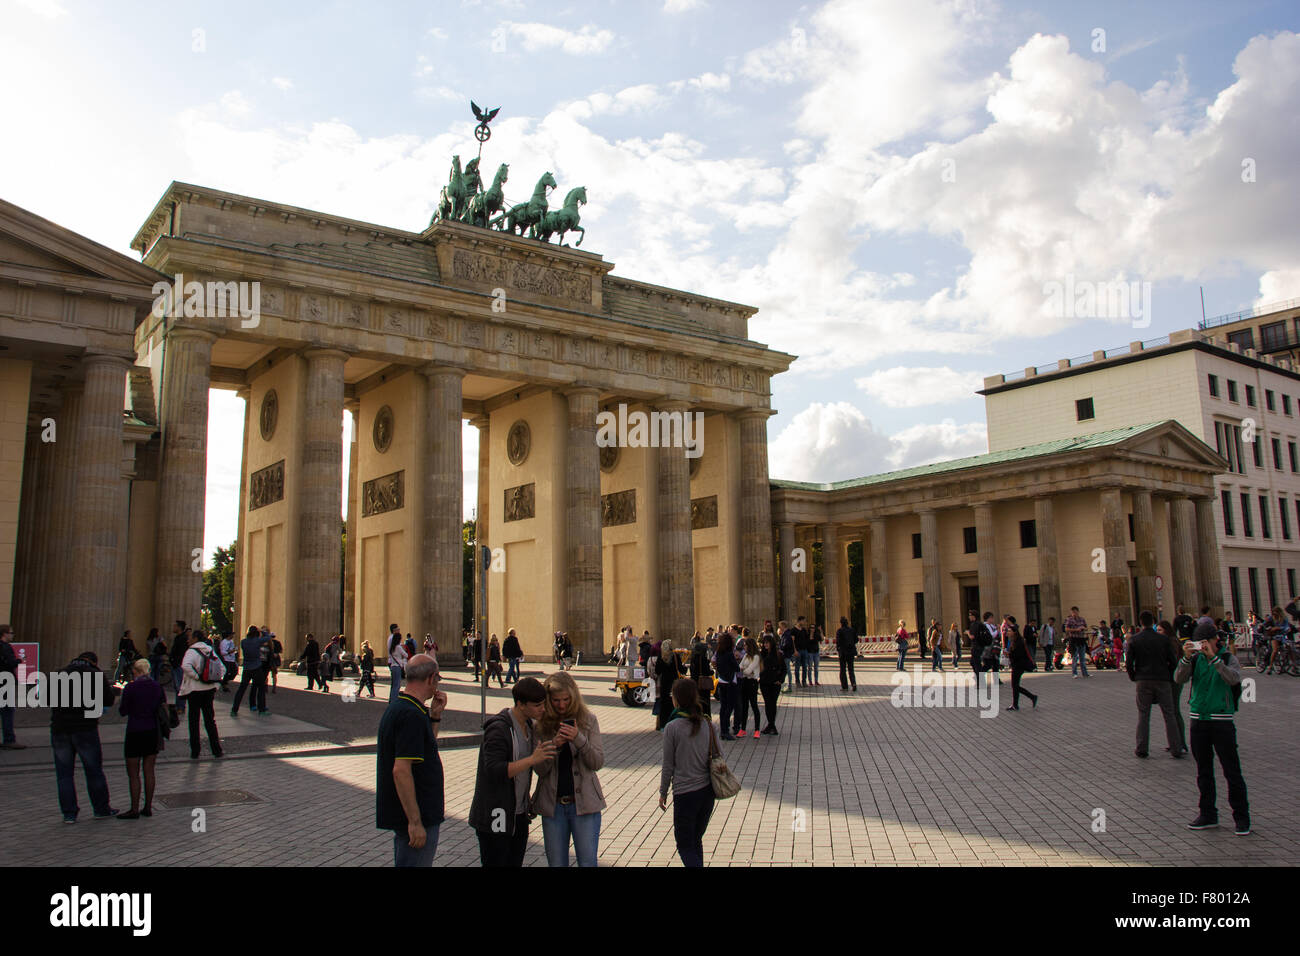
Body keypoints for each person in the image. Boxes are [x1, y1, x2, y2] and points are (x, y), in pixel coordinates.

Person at [469, 677, 555, 866]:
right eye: (537, 705)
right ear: (521, 705)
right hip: (496, 813)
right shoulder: (499, 729)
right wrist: (532, 760)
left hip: (519, 813)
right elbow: (494, 770)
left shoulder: (530, 727)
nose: (542, 709)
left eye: (544, 704)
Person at [1176, 622, 1250, 834]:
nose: (1203, 646)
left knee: (1231, 770)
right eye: (1199, 643)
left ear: (1214, 640)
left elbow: (1234, 679)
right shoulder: (1196, 659)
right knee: (1203, 771)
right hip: (1199, 718)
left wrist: (1215, 659)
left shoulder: (1227, 658)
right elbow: (1178, 679)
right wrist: (1187, 657)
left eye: (1205, 642)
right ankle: (1207, 813)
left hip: (1221, 720)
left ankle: (1241, 817)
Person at [376, 654, 447, 866]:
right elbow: (401, 770)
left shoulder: (404, 707)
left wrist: (435, 717)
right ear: (431, 678)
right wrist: (415, 822)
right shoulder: (411, 715)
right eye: (437, 680)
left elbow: (424, 751)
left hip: (415, 814)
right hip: (418, 816)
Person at [532, 671, 605, 867]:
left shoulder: (588, 720)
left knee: (588, 862)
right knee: (556, 864)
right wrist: (554, 745)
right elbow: (539, 770)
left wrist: (578, 738)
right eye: (556, 700)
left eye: (566, 699)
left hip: (585, 805)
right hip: (553, 807)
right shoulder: (540, 726)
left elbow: (597, 762)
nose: (561, 705)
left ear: (573, 697)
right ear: (548, 700)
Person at [50, 651, 118, 822]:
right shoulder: (95, 674)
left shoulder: (59, 674)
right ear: (93, 662)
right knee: (93, 770)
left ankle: (69, 813)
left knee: (64, 774)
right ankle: (101, 808)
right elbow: (109, 700)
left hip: (60, 728)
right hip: (85, 728)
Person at [659, 678, 717, 867]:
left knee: (684, 844)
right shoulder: (708, 724)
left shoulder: (672, 727)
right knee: (695, 840)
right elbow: (720, 755)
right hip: (707, 792)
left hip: (685, 794)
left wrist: (663, 792)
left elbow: (668, 765)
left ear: (676, 699)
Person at [1128, 611, 1184, 758]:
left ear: (1141, 622)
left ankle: (1141, 748)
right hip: (1162, 679)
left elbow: (1129, 663)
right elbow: (1173, 661)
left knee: (1143, 715)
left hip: (1143, 680)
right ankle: (1176, 748)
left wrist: (1134, 676)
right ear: (1153, 622)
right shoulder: (1163, 640)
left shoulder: (1134, 640)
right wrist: (1169, 676)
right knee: (1169, 714)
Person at [117, 659, 164, 820]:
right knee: (149, 771)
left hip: (135, 731)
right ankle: (148, 807)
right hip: (152, 731)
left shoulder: (131, 687)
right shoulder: (157, 686)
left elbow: (123, 711)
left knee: (133, 773)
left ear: (136, 671)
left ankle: (134, 808)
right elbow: (161, 705)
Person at [179, 630, 223, 760]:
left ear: (195, 638)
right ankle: (217, 750)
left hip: (194, 690)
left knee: (194, 721)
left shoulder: (191, 651)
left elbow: (185, 666)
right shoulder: (210, 650)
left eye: (189, 638)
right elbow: (222, 668)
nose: (188, 640)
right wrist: (215, 682)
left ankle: (195, 751)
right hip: (209, 689)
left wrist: (197, 677)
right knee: (210, 720)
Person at [231, 625, 272, 716]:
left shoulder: (243, 642)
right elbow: (268, 637)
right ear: (256, 633)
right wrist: (262, 631)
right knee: (261, 688)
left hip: (246, 668)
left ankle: (234, 709)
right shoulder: (257, 641)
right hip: (256, 667)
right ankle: (261, 710)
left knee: (241, 689)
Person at [1006, 621, 1038, 710]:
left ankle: (1028, 699)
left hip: (1019, 666)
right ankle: (1018, 703)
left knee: (1015, 685)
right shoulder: (1014, 641)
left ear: (1014, 632)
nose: (1008, 632)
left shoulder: (1018, 642)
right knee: (1015, 686)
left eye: (1009, 631)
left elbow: (1018, 655)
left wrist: (1009, 654)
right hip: (1017, 665)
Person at [655, 639, 686, 731]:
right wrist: (685, 668)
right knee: (674, 704)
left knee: (664, 704)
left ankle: (663, 726)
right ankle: (673, 724)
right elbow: (681, 669)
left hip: (664, 683)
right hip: (674, 683)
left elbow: (657, 671)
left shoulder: (661, 657)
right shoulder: (675, 656)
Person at [0, 625, 22, 749]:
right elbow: (11, 662)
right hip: (5, 680)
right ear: (4, 634)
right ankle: (9, 739)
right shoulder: (6, 647)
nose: (12, 635)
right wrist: (19, 660)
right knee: (8, 711)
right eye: (11, 633)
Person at [714, 631, 739, 741]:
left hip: (721, 681)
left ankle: (723, 731)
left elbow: (717, 666)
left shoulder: (718, 653)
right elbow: (736, 668)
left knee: (723, 707)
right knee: (729, 707)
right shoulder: (729, 654)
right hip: (730, 683)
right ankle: (725, 730)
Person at [736, 637, 762, 738]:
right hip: (745, 681)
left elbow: (748, 670)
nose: (744, 647)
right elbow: (740, 667)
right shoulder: (746, 656)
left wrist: (746, 670)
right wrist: (746, 670)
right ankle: (743, 729)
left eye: (746, 645)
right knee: (744, 706)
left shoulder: (756, 656)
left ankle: (757, 730)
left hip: (752, 683)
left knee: (754, 705)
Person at [758, 634, 784, 735]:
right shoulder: (762, 654)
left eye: (767, 643)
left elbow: (783, 669)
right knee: (768, 704)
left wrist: (780, 680)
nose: (765, 645)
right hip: (765, 683)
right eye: (764, 643)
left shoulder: (778, 654)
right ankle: (771, 725)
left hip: (774, 683)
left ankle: (771, 724)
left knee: (772, 704)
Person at [689, 634, 714, 718]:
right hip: (703, 685)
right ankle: (706, 717)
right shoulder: (703, 660)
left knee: (696, 702)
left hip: (695, 683)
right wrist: (711, 672)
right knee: (705, 703)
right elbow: (707, 672)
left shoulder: (692, 659)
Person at [168, 621, 189, 714]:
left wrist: (175, 662)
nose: (173, 627)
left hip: (178, 665)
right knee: (177, 687)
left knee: (180, 687)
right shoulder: (179, 638)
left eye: (175, 626)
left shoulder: (183, 638)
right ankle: (178, 705)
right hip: (176, 665)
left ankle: (180, 706)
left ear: (179, 627)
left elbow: (181, 653)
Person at [1064, 607, 1089, 678]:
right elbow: (1066, 629)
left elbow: (1086, 627)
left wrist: (1083, 628)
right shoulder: (1069, 620)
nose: (1074, 613)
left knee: (1082, 657)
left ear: (1078, 612)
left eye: (1075, 612)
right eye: (1073, 612)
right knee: (1075, 657)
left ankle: (1085, 673)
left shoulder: (1082, 619)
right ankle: (1074, 673)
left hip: (1081, 639)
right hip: (1074, 639)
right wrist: (1076, 629)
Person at [834, 616, 857, 690]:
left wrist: (839, 648)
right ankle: (853, 683)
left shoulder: (839, 631)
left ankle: (844, 686)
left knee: (843, 669)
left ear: (841, 623)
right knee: (851, 669)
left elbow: (838, 641)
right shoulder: (852, 630)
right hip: (851, 652)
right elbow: (856, 639)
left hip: (843, 652)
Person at [387, 624, 406, 698]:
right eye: (398, 629)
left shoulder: (390, 638)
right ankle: (394, 700)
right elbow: (403, 653)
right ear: (394, 630)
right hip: (395, 662)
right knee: (396, 684)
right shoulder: (393, 639)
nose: (399, 631)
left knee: (394, 684)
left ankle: (391, 700)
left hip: (392, 662)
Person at [778, 621, 797, 693]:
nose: (779, 628)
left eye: (780, 626)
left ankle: (789, 686)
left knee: (787, 671)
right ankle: (787, 686)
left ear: (783, 626)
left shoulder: (787, 634)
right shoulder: (786, 633)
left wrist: (780, 648)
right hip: (786, 654)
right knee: (786, 670)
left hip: (786, 655)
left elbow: (786, 644)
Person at [793, 615, 811, 687]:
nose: (804, 622)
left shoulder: (804, 630)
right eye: (803, 621)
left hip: (804, 650)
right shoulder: (793, 630)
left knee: (805, 667)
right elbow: (792, 641)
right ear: (799, 621)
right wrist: (794, 650)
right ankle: (797, 682)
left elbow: (807, 639)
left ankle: (804, 681)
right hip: (798, 651)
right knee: (797, 667)